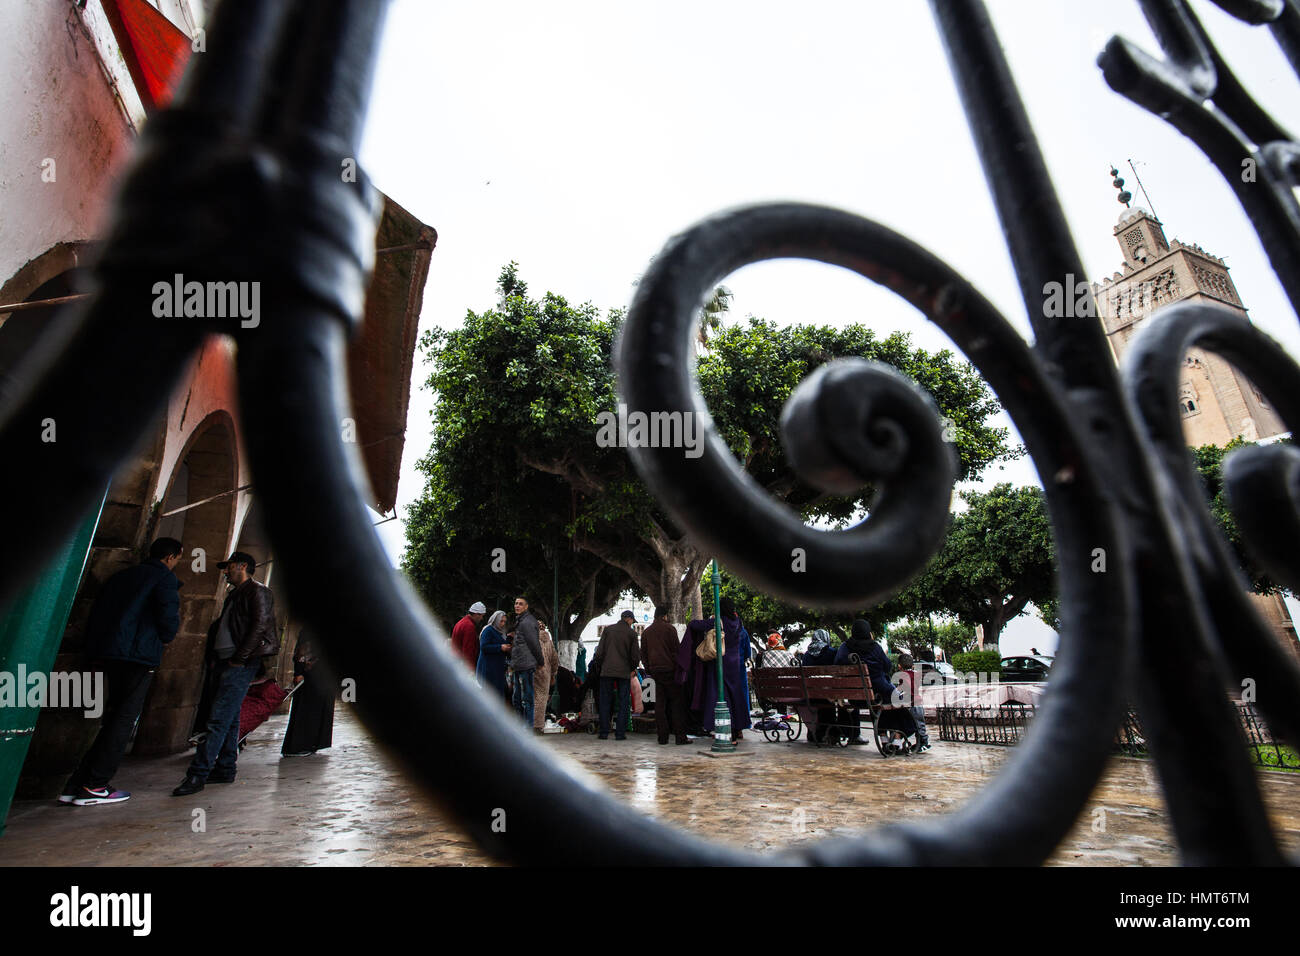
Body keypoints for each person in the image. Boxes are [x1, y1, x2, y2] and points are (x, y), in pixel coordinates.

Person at [60, 537, 183, 806]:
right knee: (122, 721)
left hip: (106, 653)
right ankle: (95, 785)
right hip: (136, 656)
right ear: (171, 557)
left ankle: (75, 784)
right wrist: (165, 636)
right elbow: (168, 619)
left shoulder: (122, 576)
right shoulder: (163, 579)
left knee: (108, 719)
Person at [173, 552, 279, 796]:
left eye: (229, 567)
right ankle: (225, 767)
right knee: (229, 718)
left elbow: (260, 625)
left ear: (242, 566)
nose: (225, 572)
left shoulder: (257, 591)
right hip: (228, 661)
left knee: (218, 719)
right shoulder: (237, 593)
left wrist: (240, 658)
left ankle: (197, 773)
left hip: (239, 663)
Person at [680, 597, 752, 742]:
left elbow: (695, 625)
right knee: (735, 696)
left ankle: (725, 731)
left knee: (721, 697)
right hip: (735, 664)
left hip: (721, 662)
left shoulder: (718, 622)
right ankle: (736, 729)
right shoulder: (738, 623)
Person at [837, 618, 917, 749]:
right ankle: (896, 741)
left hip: (855, 698)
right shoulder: (874, 647)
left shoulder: (844, 648)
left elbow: (837, 665)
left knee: (879, 703)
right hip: (878, 694)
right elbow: (887, 666)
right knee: (895, 704)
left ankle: (884, 738)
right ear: (868, 631)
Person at [281, 631, 337, 756]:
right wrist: (299, 672)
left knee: (319, 708)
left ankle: (313, 743)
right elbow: (303, 649)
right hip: (312, 672)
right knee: (308, 708)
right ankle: (299, 745)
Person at [640, 607, 688, 745]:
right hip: (670, 671)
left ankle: (662, 737)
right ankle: (680, 736)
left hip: (655, 672)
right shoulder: (670, 629)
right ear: (664, 616)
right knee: (676, 704)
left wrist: (649, 669)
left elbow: (643, 654)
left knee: (660, 705)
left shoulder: (646, 632)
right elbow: (676, 651)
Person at [593, 610, 640, 740]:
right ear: (629, 619)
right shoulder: (632, 634)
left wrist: (601, 666)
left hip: (607, 671)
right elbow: (635, 656)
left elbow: (599, 653)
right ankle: (620, 733)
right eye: (632, 621)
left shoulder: (608, 630)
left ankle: (603, 732)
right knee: (624, 702)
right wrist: (632, 668)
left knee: (605, 701)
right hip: (624, 672)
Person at [510, 596, 544, 727]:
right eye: (516, 603)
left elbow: (534, 644)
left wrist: (540, 661)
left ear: (526, 607)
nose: (517, 606)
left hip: (525, 664)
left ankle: (527, 727)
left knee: (526, 698)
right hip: (519, 664)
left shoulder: (527, 622)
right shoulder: (521, 621)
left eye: (520, 604)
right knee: (517, 698)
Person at [896, 652, 931, 752]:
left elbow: (902, 689)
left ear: (899, 666)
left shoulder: (903, 675)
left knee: (916, 724)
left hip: (911, 703)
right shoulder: (916, 674)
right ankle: (921, 742)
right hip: (918, 702)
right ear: (913, 665)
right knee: (920, 724)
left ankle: (923, 743)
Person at [476, 610, 510, 705]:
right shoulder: (488, 630)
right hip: (488, 669)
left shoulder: (500, 632)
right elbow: (484, 647)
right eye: (501, 621)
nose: (503, 623)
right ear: (495, 620)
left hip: (497, 669)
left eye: (504, 621)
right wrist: (500, 647)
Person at [533, 622, 560, 732]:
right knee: (542, 698)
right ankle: (538, 724)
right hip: (545, 673)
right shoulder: (549, 641)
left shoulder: (531, 639)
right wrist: (553, 673)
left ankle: (529, 722)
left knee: (530, 698)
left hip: (532, 670)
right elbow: (554, 659)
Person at [451, 601, 487, 669]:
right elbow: (468, 649)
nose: (482, 618)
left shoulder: (461, 622)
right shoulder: (469, 626)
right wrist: (470, 668)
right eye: (482, 616)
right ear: (477, 614)